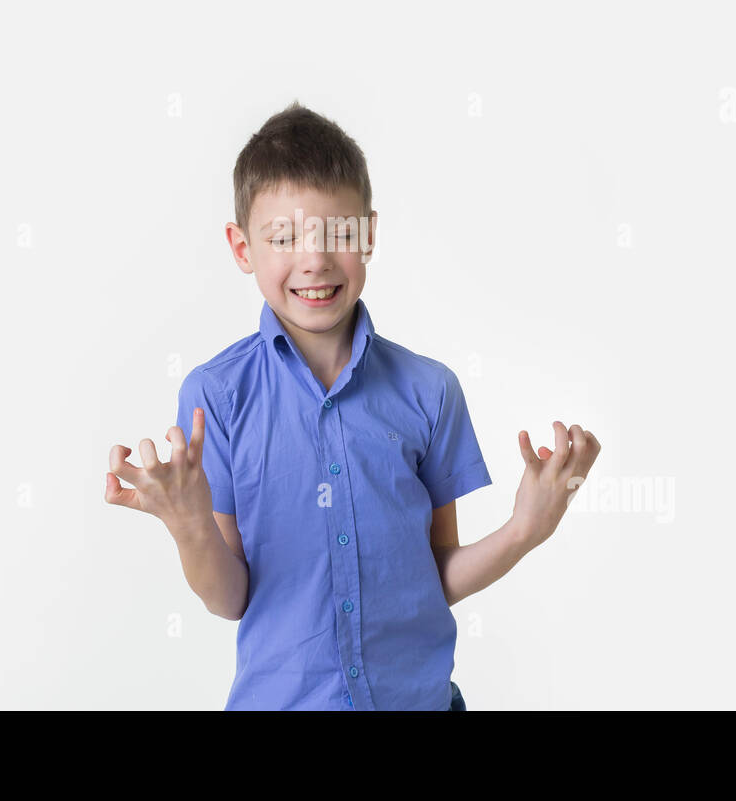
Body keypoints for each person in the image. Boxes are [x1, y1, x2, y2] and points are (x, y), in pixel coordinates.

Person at [105, 101, 601, 710]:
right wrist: (188, 524)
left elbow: (433, 577)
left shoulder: (429, 390)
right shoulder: (215, 396)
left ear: (368, 233)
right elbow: (228, 597)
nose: (314, 259)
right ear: (241, 248)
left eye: (338, 233)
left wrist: (528, 529)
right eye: (282, 237)